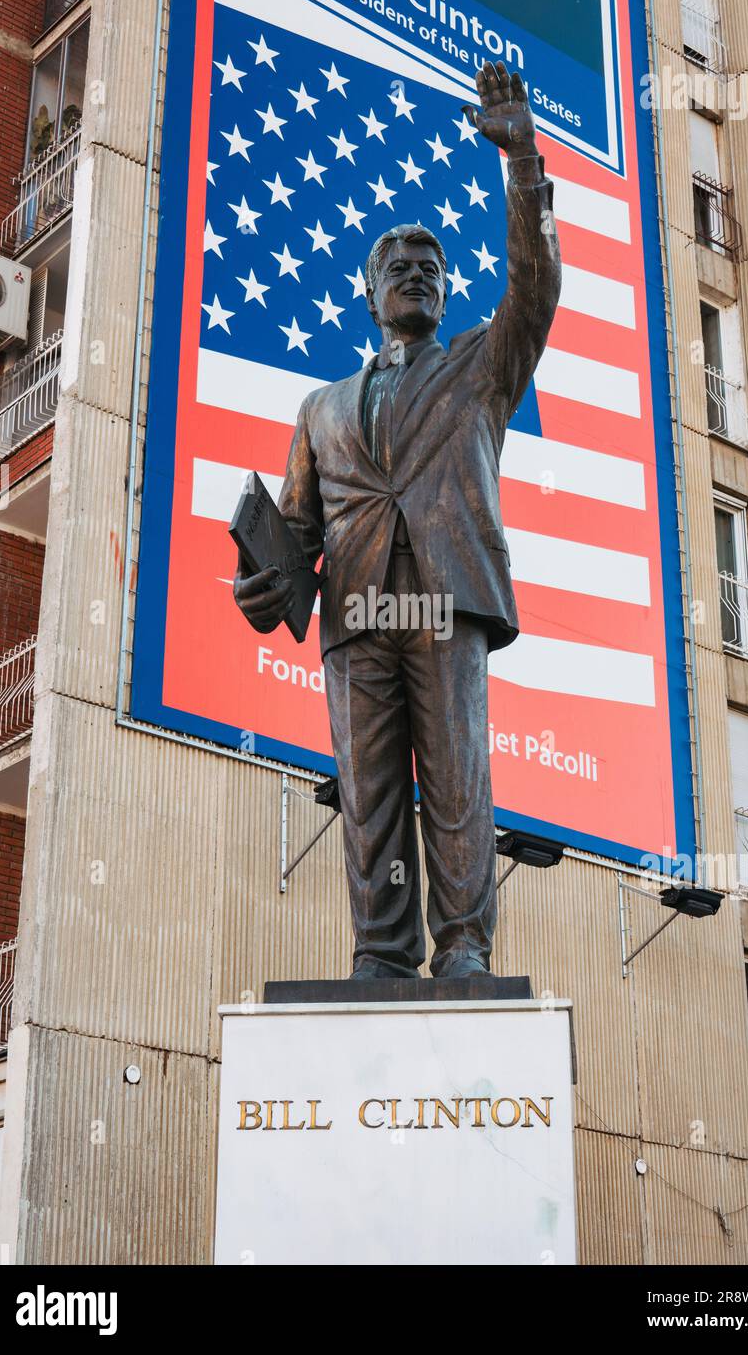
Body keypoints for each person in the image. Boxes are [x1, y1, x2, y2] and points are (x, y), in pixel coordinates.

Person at [234, 62, 561, 979]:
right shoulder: (321, 408)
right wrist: (261, 590)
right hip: (357, 618)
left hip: (446, 602)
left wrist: (522, 159)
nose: (416, 279)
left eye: (431, 270)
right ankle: (381, 950)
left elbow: (536, 287)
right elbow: (297, 542)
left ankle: (462, 948)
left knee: (457, 782)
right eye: (399, 270)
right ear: (371, 294)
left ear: (445, 295)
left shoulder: (481, 369)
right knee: (372, 792)